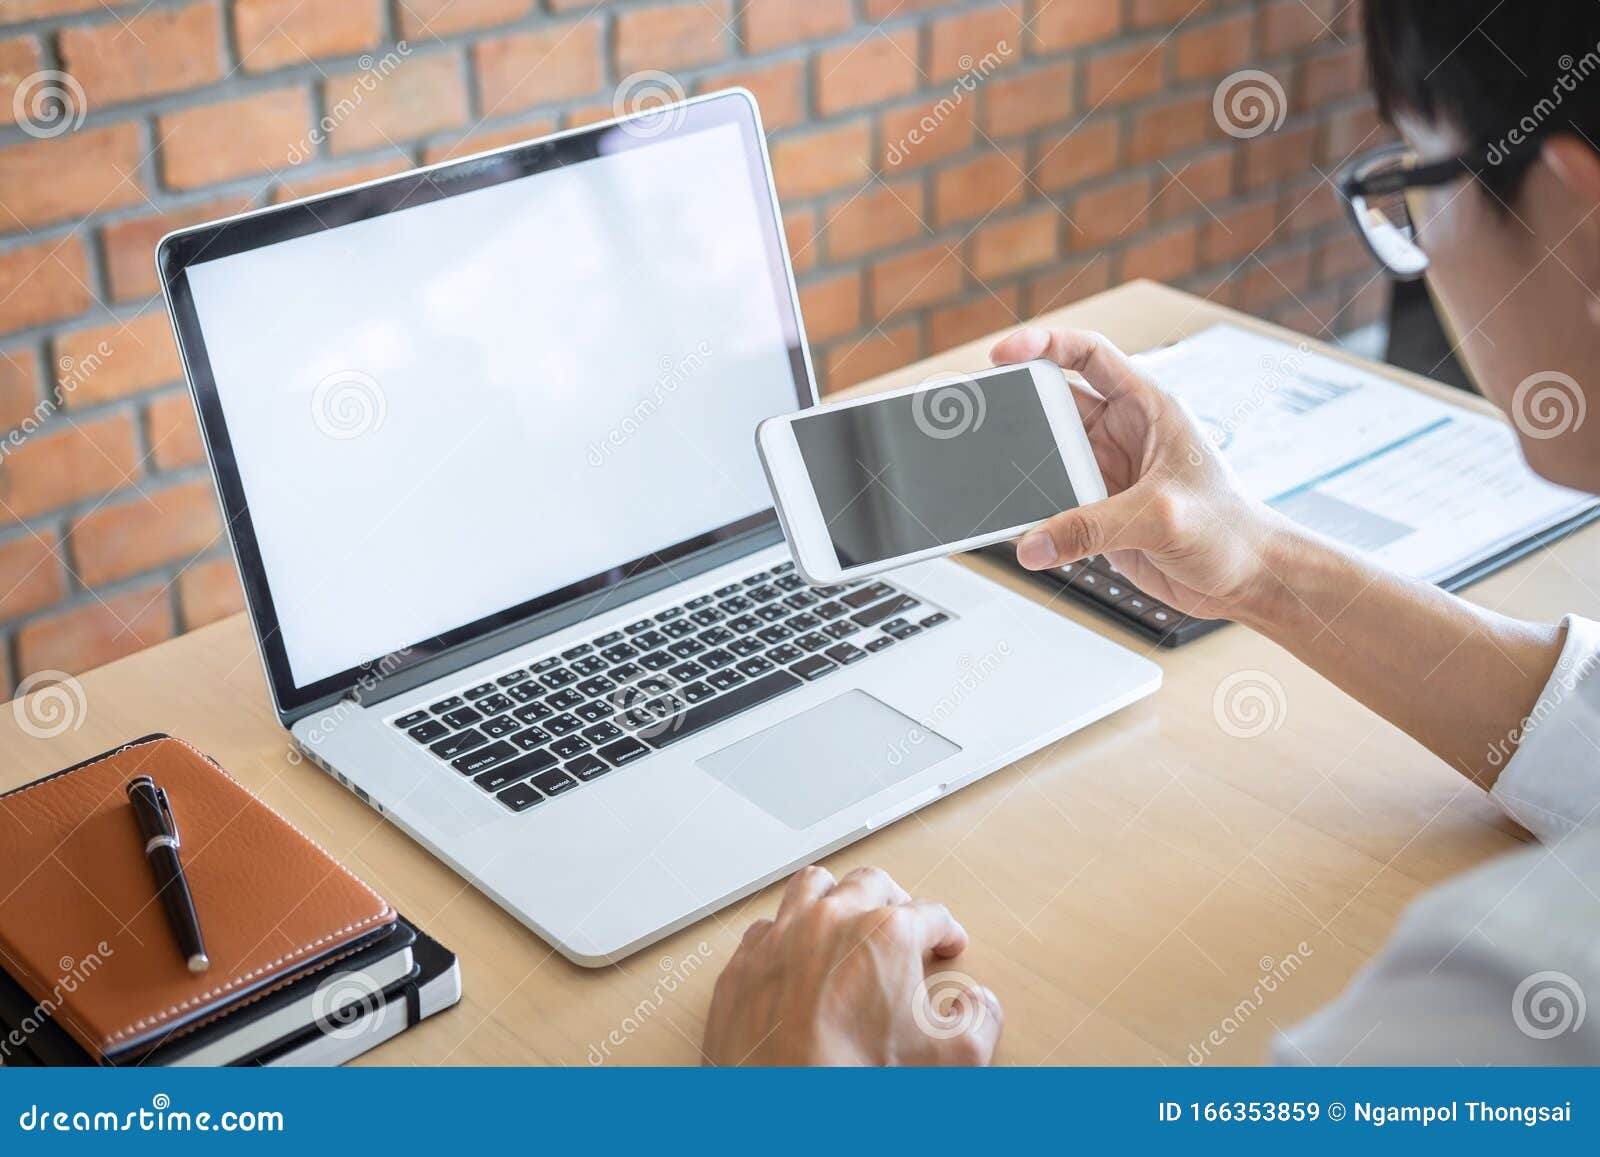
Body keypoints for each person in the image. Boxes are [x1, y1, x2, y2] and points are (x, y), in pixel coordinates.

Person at [700, 0, 1600, 1066]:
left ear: (1576, 217)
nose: (1414, 242)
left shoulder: (1516, 994)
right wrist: (1257, 565)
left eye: (1411, 180)